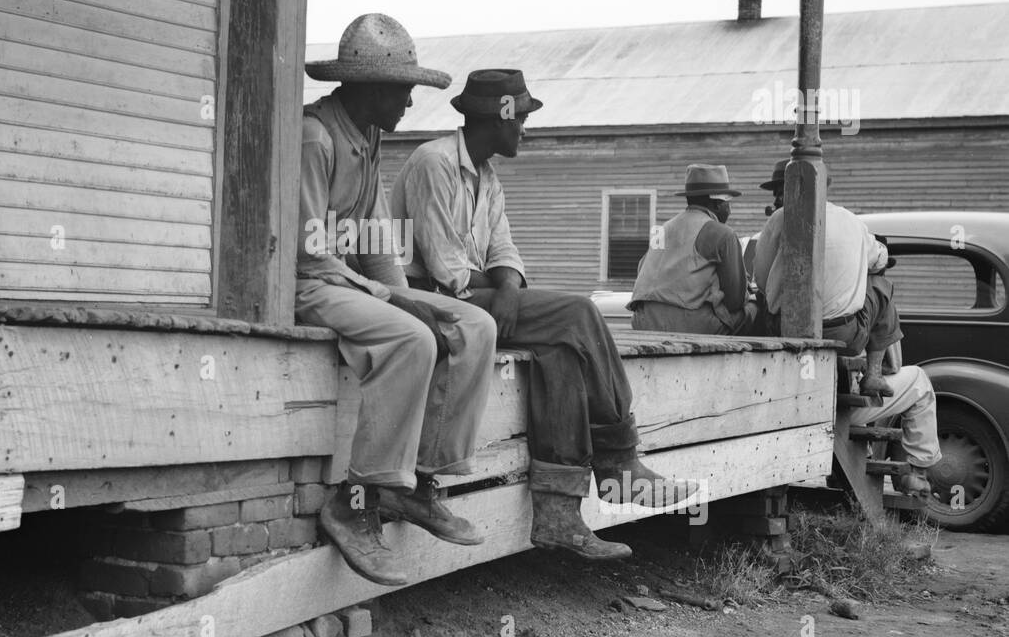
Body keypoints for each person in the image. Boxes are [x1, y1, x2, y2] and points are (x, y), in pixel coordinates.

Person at [391, 68, 697, 562]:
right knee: (577, 313)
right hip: (430, 303)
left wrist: (510, 286)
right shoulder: (435, 164)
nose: (525, 130)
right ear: (499, 118)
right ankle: (620, 464)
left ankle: (558, 516)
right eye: (522, 120)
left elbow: (503, 248)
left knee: (560, 351)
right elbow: (448, 269)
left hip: (473, 298)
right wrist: (505, 289)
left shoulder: (487, 178)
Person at [297, 13, 500, 587]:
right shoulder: (316, 136)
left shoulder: (368, 136)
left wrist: (417, 300)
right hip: (310, 284)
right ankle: (355, 503)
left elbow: (377, 238)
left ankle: (419, 484)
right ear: (371, 88)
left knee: (474, 325)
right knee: (409, 337)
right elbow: (309, 252)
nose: (410, 102)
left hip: (351, 282)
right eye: (404, 89)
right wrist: (392, 301)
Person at [753, 161, 940, 495]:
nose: (778, 199)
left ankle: (865, 376)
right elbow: (879, 261)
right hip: (843, 334)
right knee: (881, 284)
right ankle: (874, 371)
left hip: (784, 332)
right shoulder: (851, 222)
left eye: (780, 192)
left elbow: (762, 279)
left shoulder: (776, 221)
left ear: (785, 192)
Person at [629, 164, 758, 335]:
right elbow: (735, 301)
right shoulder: (722, 234)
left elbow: (644, 270)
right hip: (687, 325)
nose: (730, 210)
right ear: (717, 203)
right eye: (728, 202)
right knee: (755, 308)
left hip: (642, 321)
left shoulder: (662, 229)